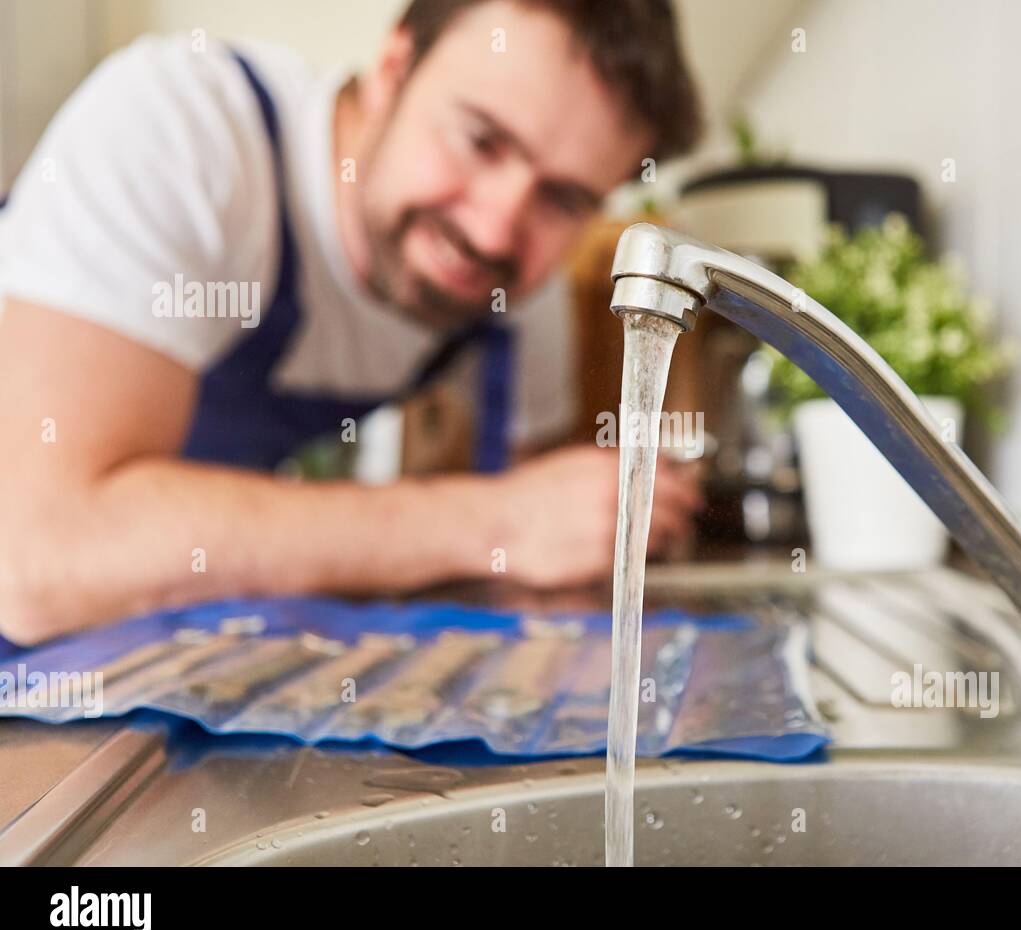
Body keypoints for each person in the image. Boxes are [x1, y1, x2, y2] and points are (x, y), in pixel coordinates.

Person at [0, 0, 704, 645]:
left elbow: (541, 546)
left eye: (564, 198)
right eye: (480, 140)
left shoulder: (513, 293)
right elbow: (40, 559)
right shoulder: (181, 132)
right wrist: (491, 520)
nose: (495, 230)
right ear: (393, 69)